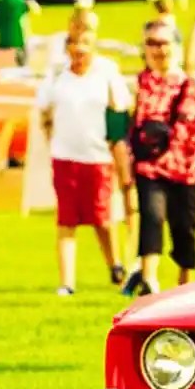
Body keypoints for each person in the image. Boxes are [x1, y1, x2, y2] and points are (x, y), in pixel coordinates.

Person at [120, 21, 195, 296]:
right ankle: (149, 281)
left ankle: (185, 286)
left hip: (187, 169)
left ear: (176, 47)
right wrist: (123, 163)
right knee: (152, 216)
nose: (158, 50)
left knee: (184, 230)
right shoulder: (137, 85)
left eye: (163, 43)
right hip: (149, 167)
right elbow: (124, 128)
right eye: (151, 43)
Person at [36, 28, 133, 296]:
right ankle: (67, 283)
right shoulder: (57, 75)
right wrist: (49, 136)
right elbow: (43, 109)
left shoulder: (105, 73)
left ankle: (115, 266)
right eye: (74, 44)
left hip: (97, 157)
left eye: (85, 44)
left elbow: (122, 108)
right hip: (65, 157)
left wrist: (117, 146)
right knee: (66, 220)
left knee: (101, 219)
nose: (79, 50)